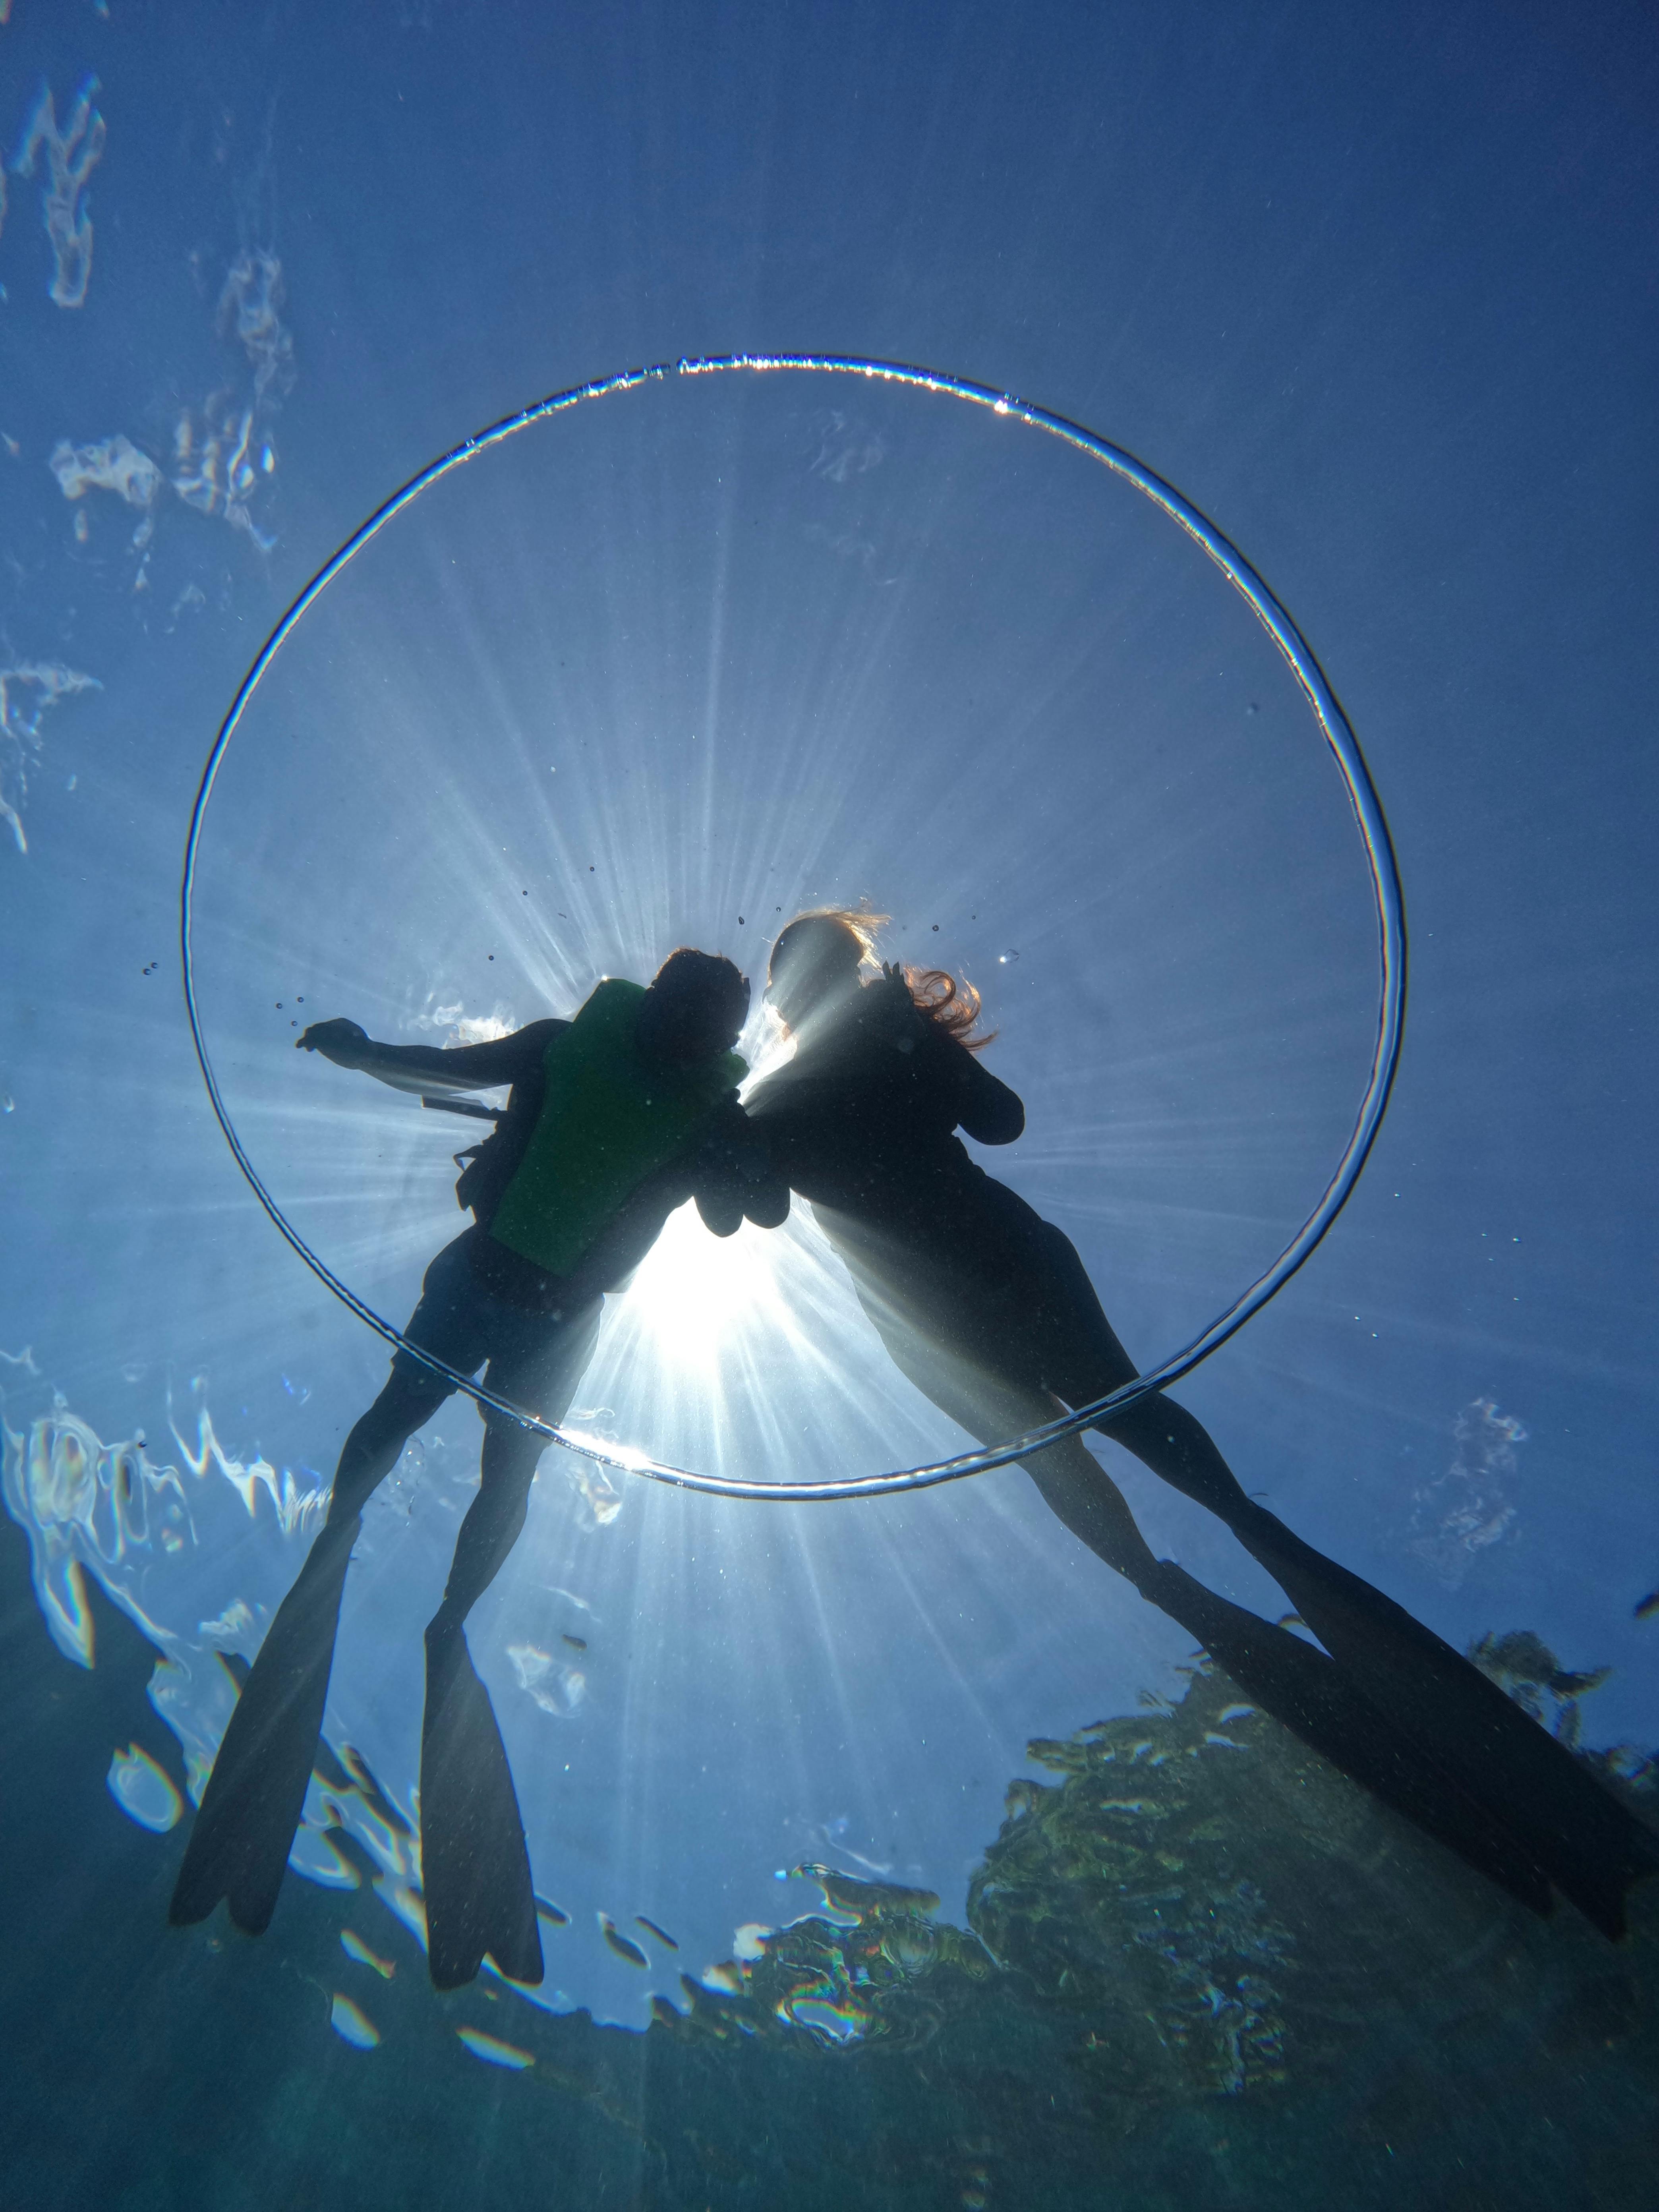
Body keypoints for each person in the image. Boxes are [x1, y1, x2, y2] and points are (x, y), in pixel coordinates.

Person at [747, 910, 1659, 1935]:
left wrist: (854, 1064)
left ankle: (1189, 1567)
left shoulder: (807, 1085)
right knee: (1101, 1435)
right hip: (974, 1283)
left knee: (1084, 1442)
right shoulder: (808, 1085)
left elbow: (847, 1175)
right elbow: (935, 1143)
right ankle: (1213, 1555)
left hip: (955, 1297)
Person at [171, 949, 787, 1988]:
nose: (697, 1036)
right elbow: (457, 1068)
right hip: (502, 1291)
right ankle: (371, 1568)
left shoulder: (694, 1106)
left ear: (719, 1036)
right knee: (398, 1431)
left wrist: (743, 1160)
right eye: (693, 1015)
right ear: (666, 1007)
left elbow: (749, 1213)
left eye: (714, 1026)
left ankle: (441, 1615)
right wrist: (366, 1054)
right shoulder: (575, 1053)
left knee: (487, 1468)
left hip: (543, 1315)